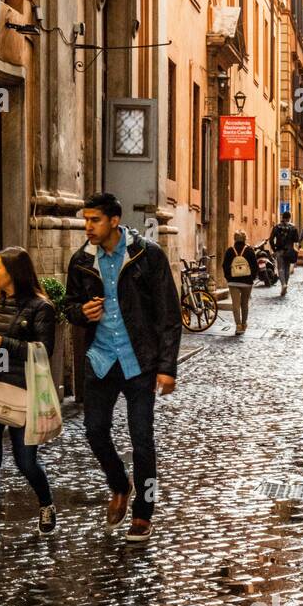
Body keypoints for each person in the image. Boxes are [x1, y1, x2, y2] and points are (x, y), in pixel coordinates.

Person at [66, 191, 182, 544]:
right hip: (101, 361)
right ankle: (120, 484)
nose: (88, 227)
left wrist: (167, 367)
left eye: (94, 220)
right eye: (85, 220)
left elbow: (168, 314)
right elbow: (69, 304)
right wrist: (80, 312)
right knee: (94, 432)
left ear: (114, 221)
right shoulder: (81, 260)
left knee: (142, 441)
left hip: (139, 362)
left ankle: (144, 513)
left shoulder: (148, 255)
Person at [0, 248, 57, 554]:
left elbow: (44, 350)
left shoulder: (42, 308)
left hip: (23, 393)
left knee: (25, 461)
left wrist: (4, 342)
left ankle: (46, 503)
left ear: (12, 273)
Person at [222, 230, 258, 334]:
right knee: (244, 303)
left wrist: (228, 278)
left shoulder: (229, 251)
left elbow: (225, 266)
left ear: (234, 239)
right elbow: (254, 266)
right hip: (247, 282)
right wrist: (252, 278)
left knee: (235, 304)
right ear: (245, 239)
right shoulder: (250, 251)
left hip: (233, 282)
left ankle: (238, 326)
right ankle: (244, 323)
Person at [269, 210, 300, 296]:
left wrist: (274, 249)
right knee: (287, 268)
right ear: (290, 218)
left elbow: (271, 239)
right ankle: (285, 285)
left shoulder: (276, 227)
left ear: (282, 217)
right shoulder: (293, 228)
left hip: (279, 250)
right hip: (290, 251)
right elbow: (296, 240)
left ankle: (283, 284)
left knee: (280, 268)